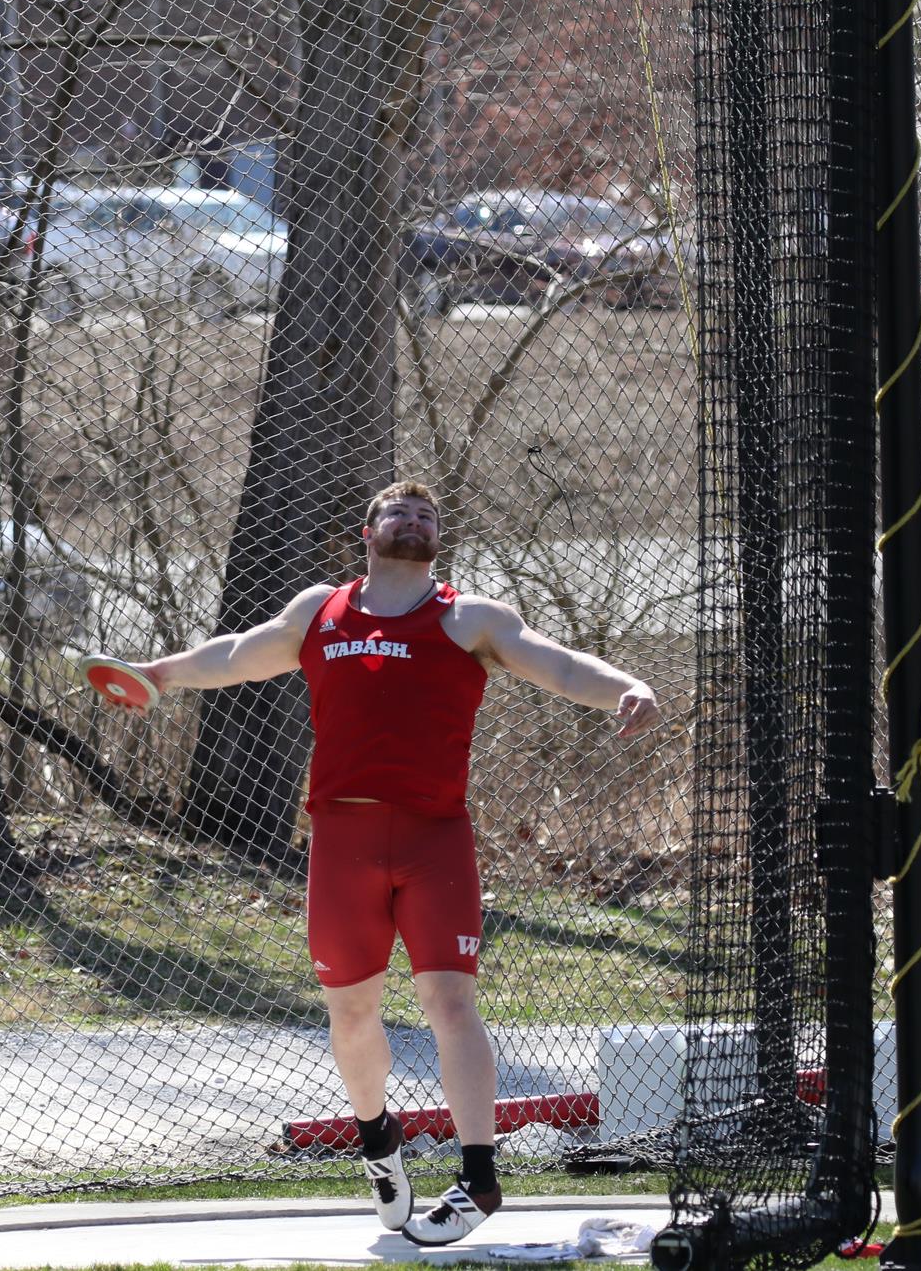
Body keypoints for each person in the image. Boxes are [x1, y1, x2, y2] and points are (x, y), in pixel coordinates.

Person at [104, 480, 660, 1244]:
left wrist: (625, 686)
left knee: (450, 1006)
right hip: (341, 842)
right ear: (366, 532)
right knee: (350, 1010)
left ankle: (479, 1177)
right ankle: (378, 1139)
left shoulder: (470, 618)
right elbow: (238, 654)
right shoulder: (320, 610)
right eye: (398, 512)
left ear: (439, 538)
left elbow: (557, 664)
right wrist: (159, 674)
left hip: (435, 840)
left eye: (427, 515)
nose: (413, 520)